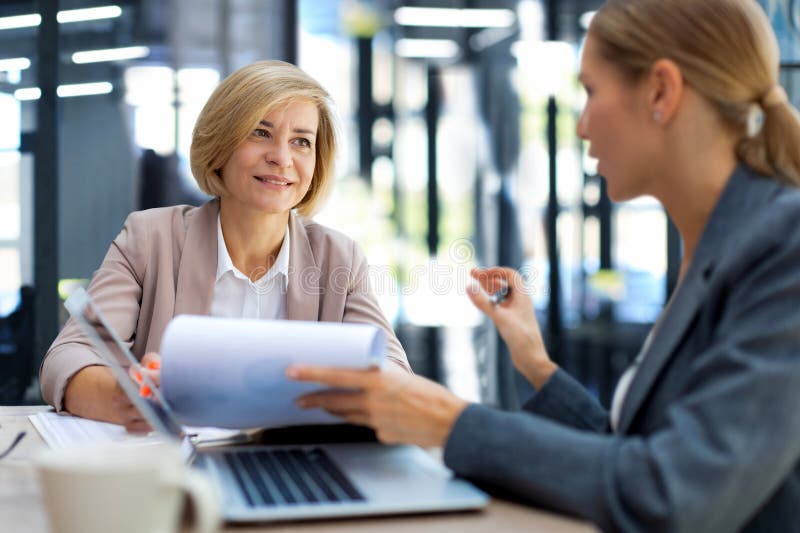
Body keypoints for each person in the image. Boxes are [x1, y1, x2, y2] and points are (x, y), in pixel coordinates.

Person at [286, 1, 800, 531]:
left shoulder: (786, 246)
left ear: (661, 92)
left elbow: (672, 491)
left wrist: (447, 420)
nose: (581, 126)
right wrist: (537, 363)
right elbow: (626, 454)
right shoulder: (720, 244)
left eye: (591, 91)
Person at [40, 60, 411, 432]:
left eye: (301, 141)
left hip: (290, 458)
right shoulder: (150, 239)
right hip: (176, 461)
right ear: (221, 144)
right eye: (260, 133)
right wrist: (128, 398)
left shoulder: (338, 258)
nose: (282, 158)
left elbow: (393, 374)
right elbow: (68, 358)